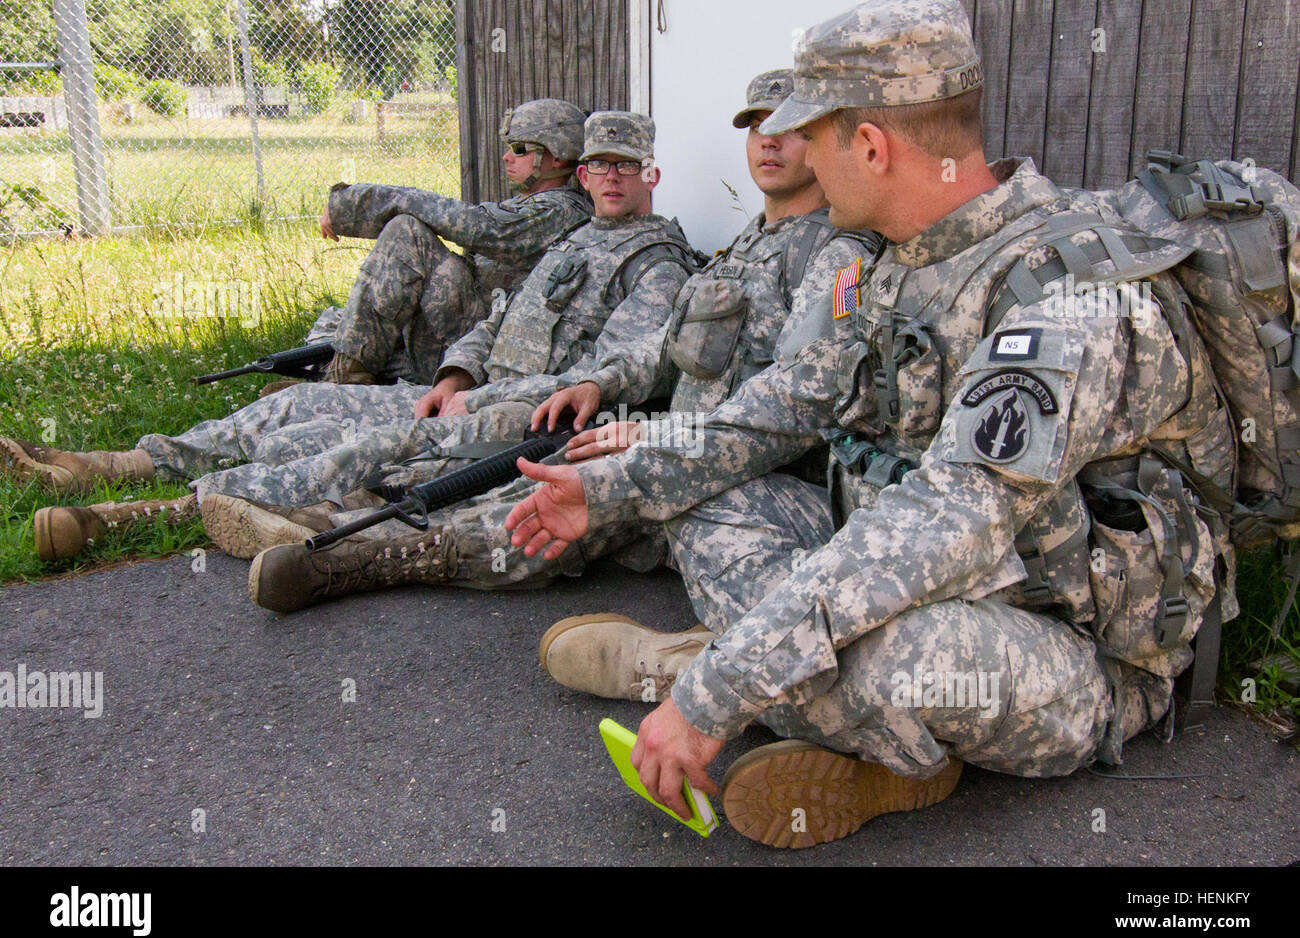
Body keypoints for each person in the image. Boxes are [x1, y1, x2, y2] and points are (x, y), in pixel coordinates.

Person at [495, 0, 1236, 849]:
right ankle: (834, 724)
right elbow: (783, 408)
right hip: (918, 566)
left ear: (871, 146)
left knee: (882, 661)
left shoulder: (1064, 297)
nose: (798, 153)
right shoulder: (899, 259)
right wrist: (616, 487)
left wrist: (717, 694)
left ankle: (705, 674)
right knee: (703, 506)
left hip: (1063, 644)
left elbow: (949, 521)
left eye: (813, 134)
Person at [235, 69, 882, 613]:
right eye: (755, 127)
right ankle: (345, 513)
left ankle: (376, 558)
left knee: (578, 483)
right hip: (681, 436)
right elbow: (667, 344)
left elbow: (796, 405)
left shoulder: (835, 255)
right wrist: (598, 384)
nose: (769, 142)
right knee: (538, 453)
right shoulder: (749, 242)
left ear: (827, 142)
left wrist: (659, 434)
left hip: (733, 459)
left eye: (792, 129)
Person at [3, 112, 696, 565]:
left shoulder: (655, 261)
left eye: (627, 165)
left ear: (651, 175)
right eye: (600, 164)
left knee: (354, 449)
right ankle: (117, 463)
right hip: (461, 394)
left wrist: (483, 399)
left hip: (517, 415)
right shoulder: (573, 237)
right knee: (295, 408)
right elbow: (498, 319)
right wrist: (456, 378)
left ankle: (136, 514)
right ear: (582, 174)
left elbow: (616, 370)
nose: (612, 176)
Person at [297, 98, 593, 389]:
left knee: (407, 233)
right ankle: (343, 370)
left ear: (559, 157)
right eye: (509, 148)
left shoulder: (562, 211)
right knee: (336, 324)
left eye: (520, 149)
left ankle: (343, 379)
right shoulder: (531, 204)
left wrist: (351, 205)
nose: (507, 157)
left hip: (479, 352)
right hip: (464, 337)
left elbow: (475, 226)